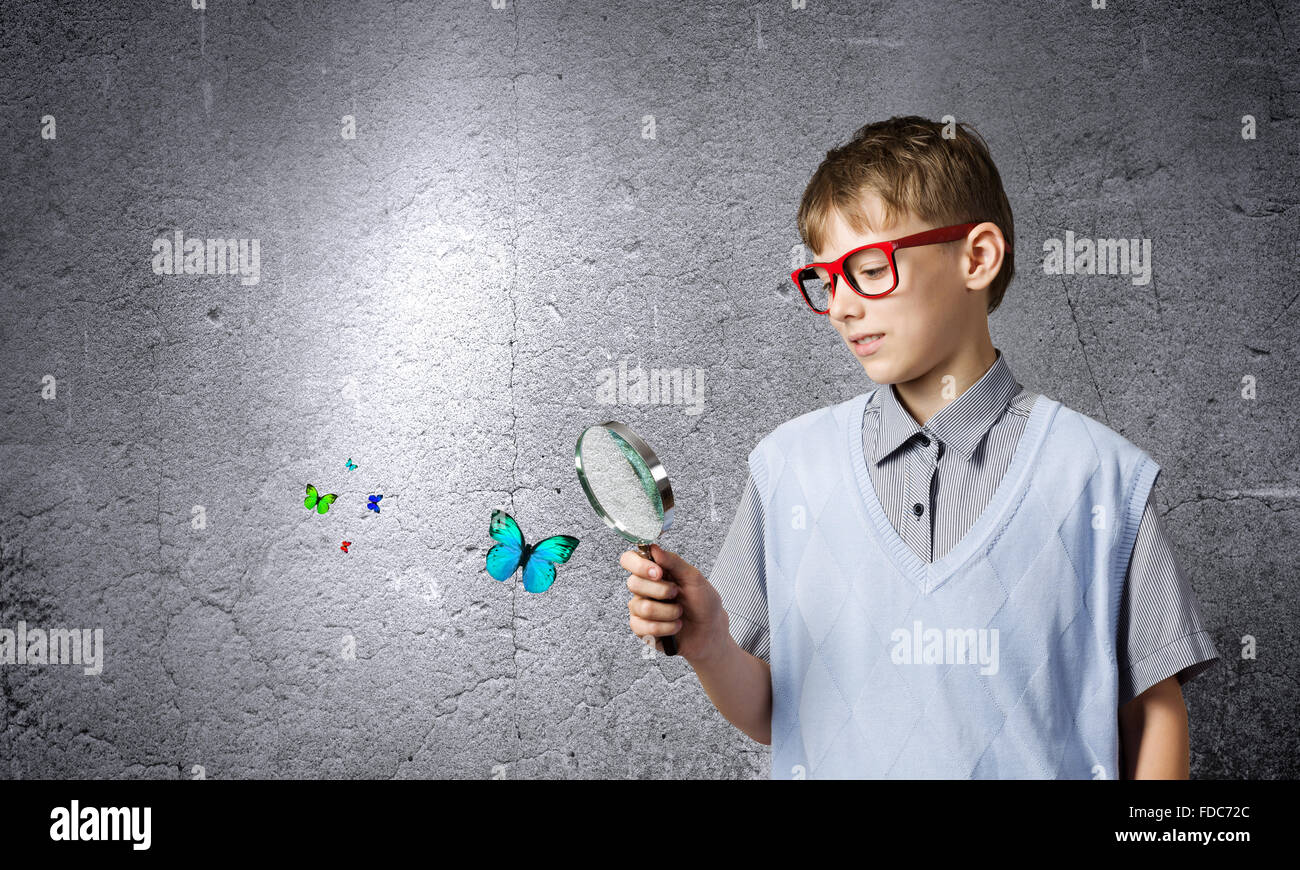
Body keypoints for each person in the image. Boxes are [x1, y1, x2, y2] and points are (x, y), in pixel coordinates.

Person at [620, 115, 1219, 779]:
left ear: (977, 257)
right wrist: (707, 645)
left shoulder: (1101, 476)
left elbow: (1154, 712)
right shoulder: (787, 468)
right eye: (826, 279)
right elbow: (774, 712)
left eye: (869, 268)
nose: (844, 305)